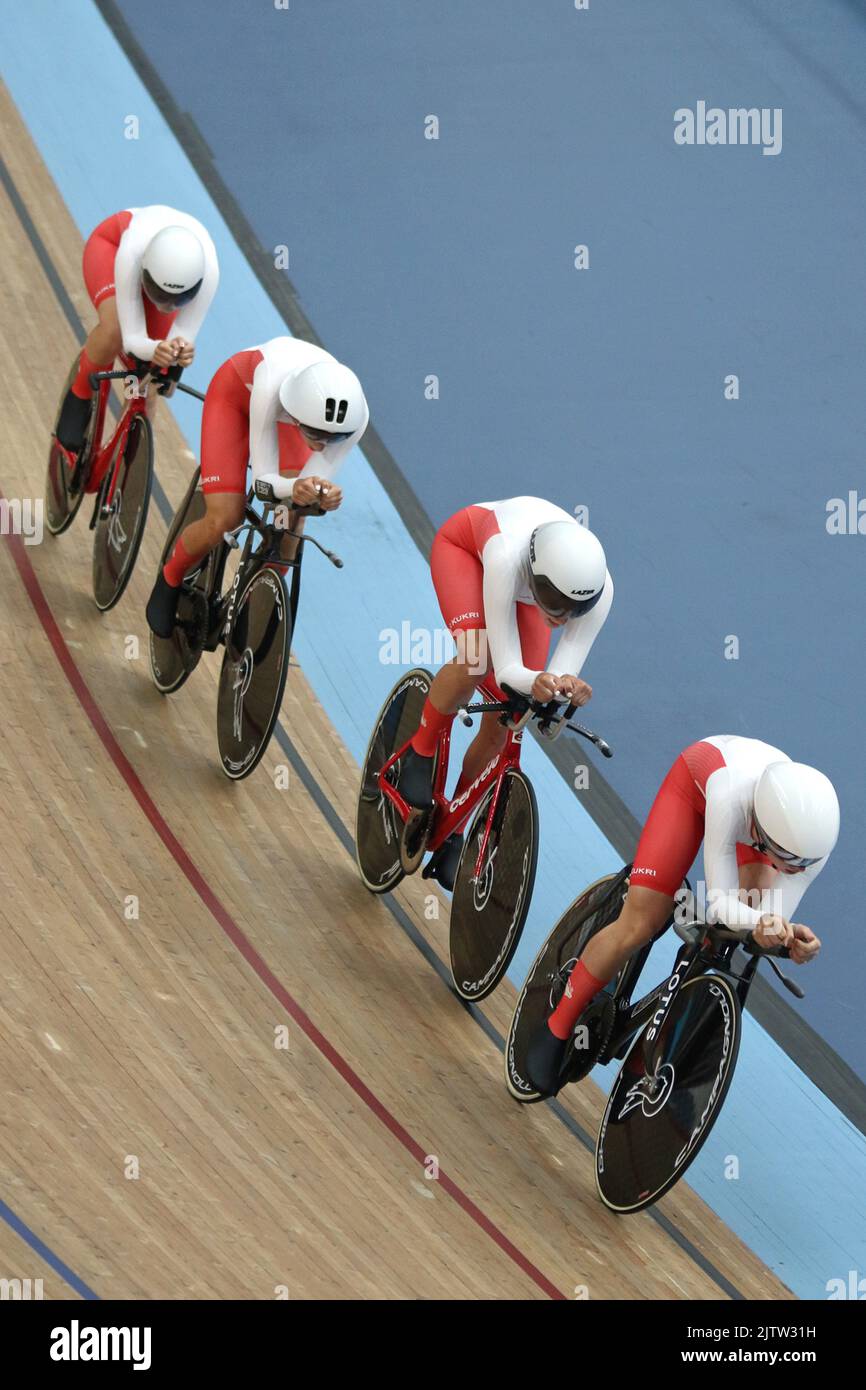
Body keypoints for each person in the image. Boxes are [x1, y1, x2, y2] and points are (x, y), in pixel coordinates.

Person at [526, 737, 841, 1094]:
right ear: (760, 833)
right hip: (696, 787)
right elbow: (719, 902)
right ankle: (558, 1024)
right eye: (790, 861)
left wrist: (788, 939)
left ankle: (681, 1001)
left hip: (765, 827)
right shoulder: (729, 797)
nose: (796, 870)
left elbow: (772, 918)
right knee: (641, 922)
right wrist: (761, 924)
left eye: (805, 864)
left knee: (739, 927)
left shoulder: (811, 846)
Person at [396, 497, 613, 889]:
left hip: (527, 593)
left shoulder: (596, 594)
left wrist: (566, 689)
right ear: (536, 576)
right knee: (478, 658)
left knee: (511, 714)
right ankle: (420, 750)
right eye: (557, 604)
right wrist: (537, 681)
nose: (562, 617)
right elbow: (511, 669)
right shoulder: (504, 557)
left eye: (573, 609)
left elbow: (557, 677)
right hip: (467, 554)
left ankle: (456, 825)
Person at [145, 336, 369, 637]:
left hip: (292, 421)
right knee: (225, 518)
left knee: (292, 518)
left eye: (333, 438)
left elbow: (310, 485)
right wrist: (295, 486)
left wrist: (318, 494)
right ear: (301, 416)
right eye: (316, 434)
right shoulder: (270, 383)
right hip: (236, 396)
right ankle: (170, 577)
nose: (322, 444)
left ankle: (252, 598)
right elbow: (263, 483)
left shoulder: (355, 418)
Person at [55, 205, 219, 456]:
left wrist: (178, 356)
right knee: (114, 331)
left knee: (150, 379)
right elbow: (132, 339)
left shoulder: (209, 274)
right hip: (111, 247)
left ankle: (124, 463)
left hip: (160, 272)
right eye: (160, 295)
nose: (167, 306)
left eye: (178, 299)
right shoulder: (131, 253)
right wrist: (155, 347)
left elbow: (183, 336)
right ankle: (80, 395)